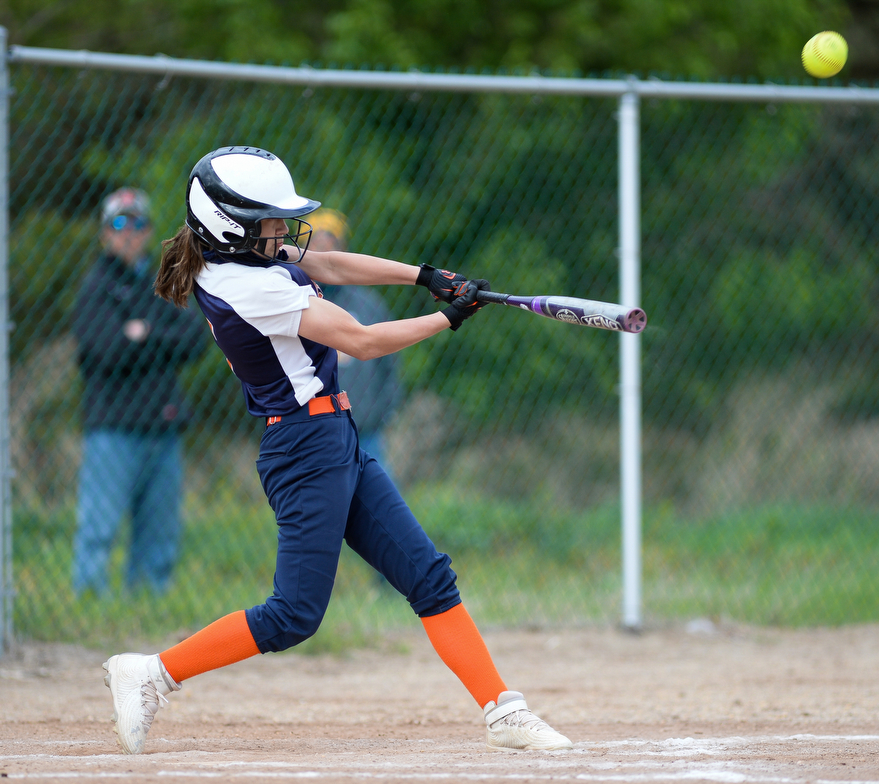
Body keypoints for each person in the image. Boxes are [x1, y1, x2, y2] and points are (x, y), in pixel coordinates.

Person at [103, 146, 571, 755]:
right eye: (270, 220)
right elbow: (364, 340)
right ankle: (152, 674)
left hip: (334, 439)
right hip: (302, 449)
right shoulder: (244, 286)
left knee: (428, 576)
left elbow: (332, 266)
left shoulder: (247, 251)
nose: (285, 230)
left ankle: (503, 710)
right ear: (229, 226)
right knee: (293, 614)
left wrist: (425, 276)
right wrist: (449, 319)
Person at [72, 187, 206, 596]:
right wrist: (155, 338)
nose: (128, 232)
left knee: (160, 533)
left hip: (161, 426)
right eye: (118, 223)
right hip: (113, 428)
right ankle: (91, 605)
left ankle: (149, 607)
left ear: (148, 231)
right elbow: (106, 349)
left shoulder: (164, 280)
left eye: (138, 224)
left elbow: (195, 339)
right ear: (104, 234)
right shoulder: (95, 287)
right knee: (99, 528)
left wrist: (141, 334)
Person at [307, 209, 402, 480]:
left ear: (343, 250)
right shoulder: (298, 301)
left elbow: (390, 365)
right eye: (314, 246)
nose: (323, 252)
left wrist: (381, 412)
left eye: (330, 245)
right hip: (315, 430)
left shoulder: (368, 306)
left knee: (379, 502)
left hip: (365, 430)